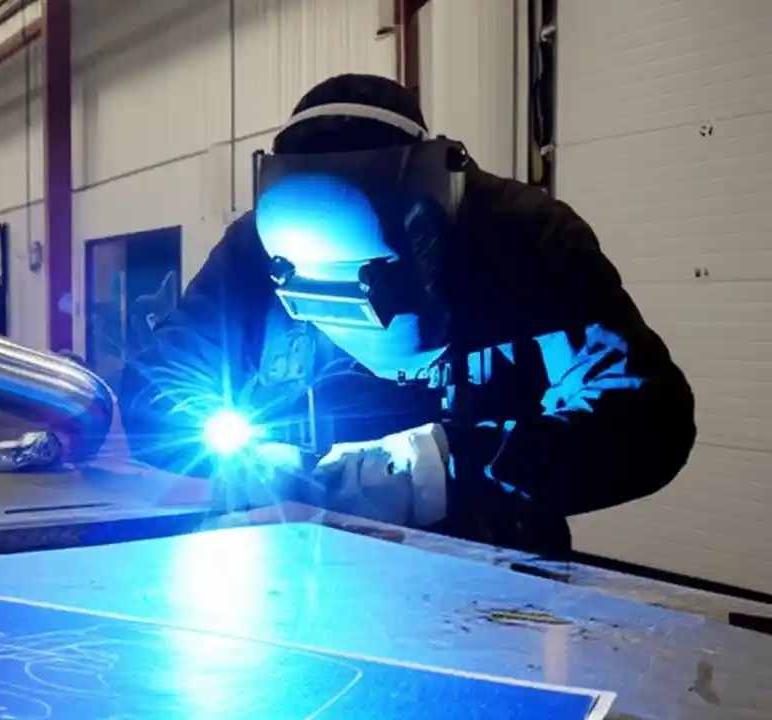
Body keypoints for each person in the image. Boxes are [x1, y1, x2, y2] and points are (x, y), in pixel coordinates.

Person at [118, 74, 696, 557]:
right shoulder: (252, 250)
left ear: (429, 214)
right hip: (295, 556)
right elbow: (153, 387)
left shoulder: (526, 241)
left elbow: (648, 422)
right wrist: (244, 463)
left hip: (489, 568)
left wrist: (448, 465)